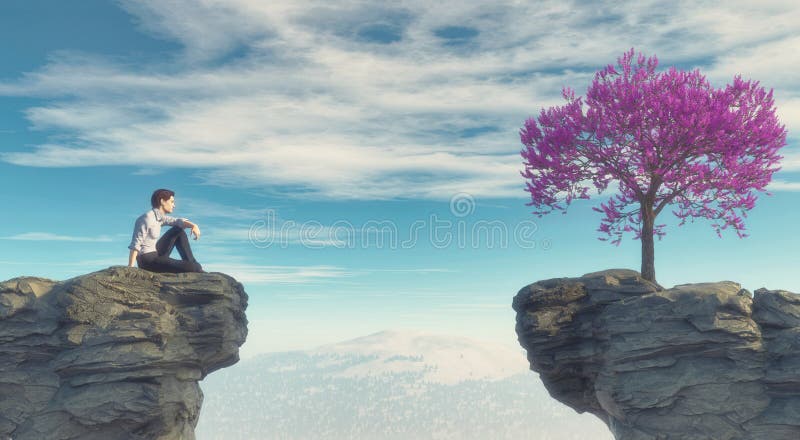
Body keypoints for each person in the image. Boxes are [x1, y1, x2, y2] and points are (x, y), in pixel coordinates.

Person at [128, 188, 205, 273]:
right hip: (147, 261)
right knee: (196, 267)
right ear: (162, 201)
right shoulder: (146, 218)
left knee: (178, 230)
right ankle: (195, 268)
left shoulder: (160, 218)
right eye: (172, 202)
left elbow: (176, 221)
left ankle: (193, 265)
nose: (174, 205)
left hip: (156, 254)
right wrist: (130, 269)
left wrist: (193, 225)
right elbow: (135, 245)